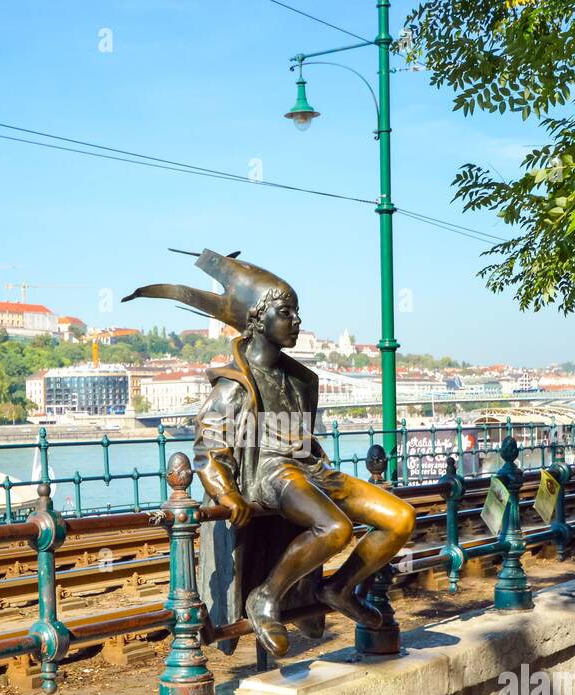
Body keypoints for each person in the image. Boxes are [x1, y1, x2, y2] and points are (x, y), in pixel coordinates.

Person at [123, 250, 414, 656]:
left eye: (297, 313)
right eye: (286, 312)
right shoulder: (234, 384)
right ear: (258, 320)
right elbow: (207, 449)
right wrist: (226, 493)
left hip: (310, 468)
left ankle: (339, 588)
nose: (297, 321)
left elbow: (303, 435)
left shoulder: (301, 380)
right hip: (271, 473)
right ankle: (266, 597)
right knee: (335, 528)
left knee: (401, 518)